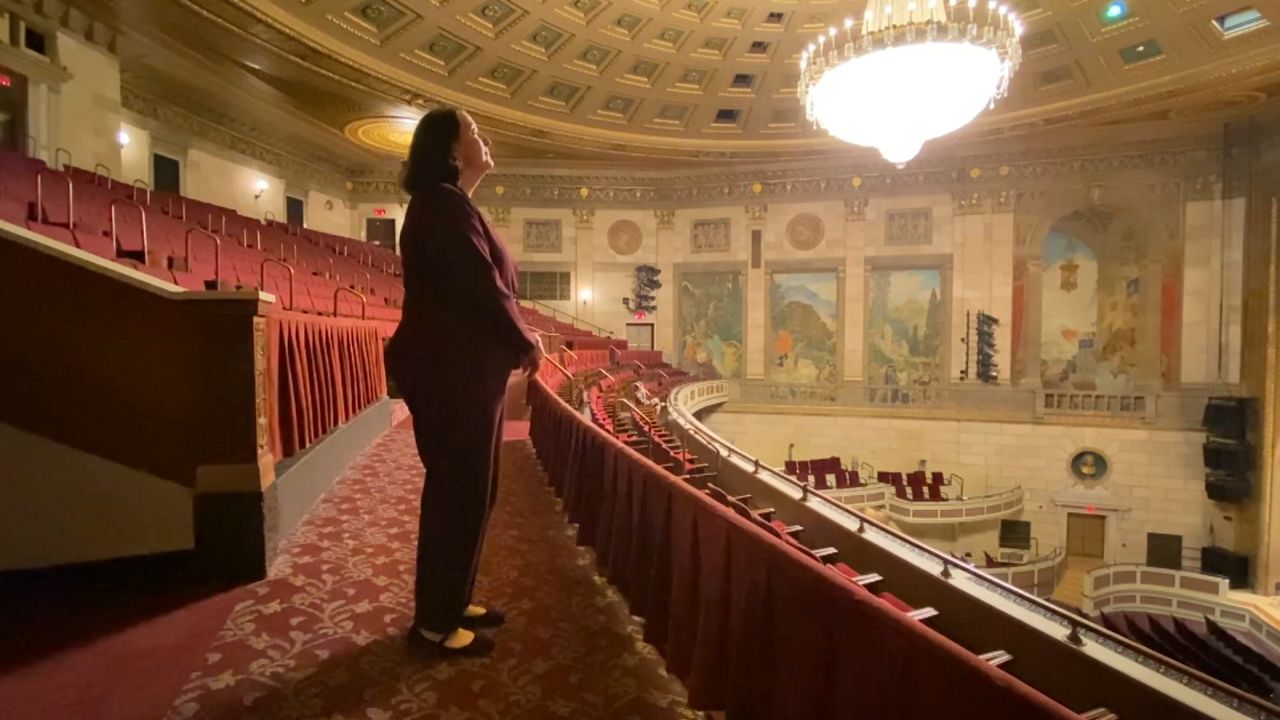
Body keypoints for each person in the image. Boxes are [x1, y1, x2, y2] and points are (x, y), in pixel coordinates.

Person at [385, 107, 543, 657]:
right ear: (451, 149)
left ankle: (453, 600)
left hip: (468, 371)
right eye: (474, 132)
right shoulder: (440, 204)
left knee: (475, 492)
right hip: (453, 374)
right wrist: (527, 337)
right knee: (458, 494)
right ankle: (433, 625)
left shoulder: (454, 203)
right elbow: (481, 282)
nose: (484, 136)